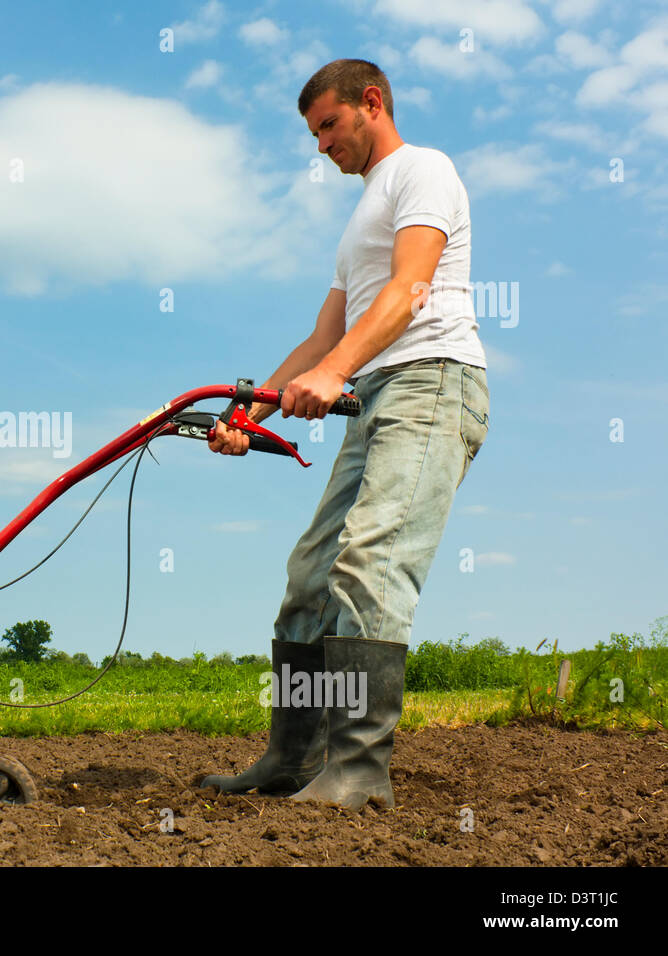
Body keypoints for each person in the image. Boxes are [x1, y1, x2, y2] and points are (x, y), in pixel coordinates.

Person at [201, 59, 490, 810]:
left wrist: (334, 373)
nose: (321, 145)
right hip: (371, 397)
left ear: (372, 102)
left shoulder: (422, 171)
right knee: (310, 574)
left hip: (431, 382)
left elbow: (410, 290)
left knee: (370, 562)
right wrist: (247, 415)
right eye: (313, 133)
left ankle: (359, 774)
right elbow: (322, 335)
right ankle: (292, 760)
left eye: (328, 125)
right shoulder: (358, 218)